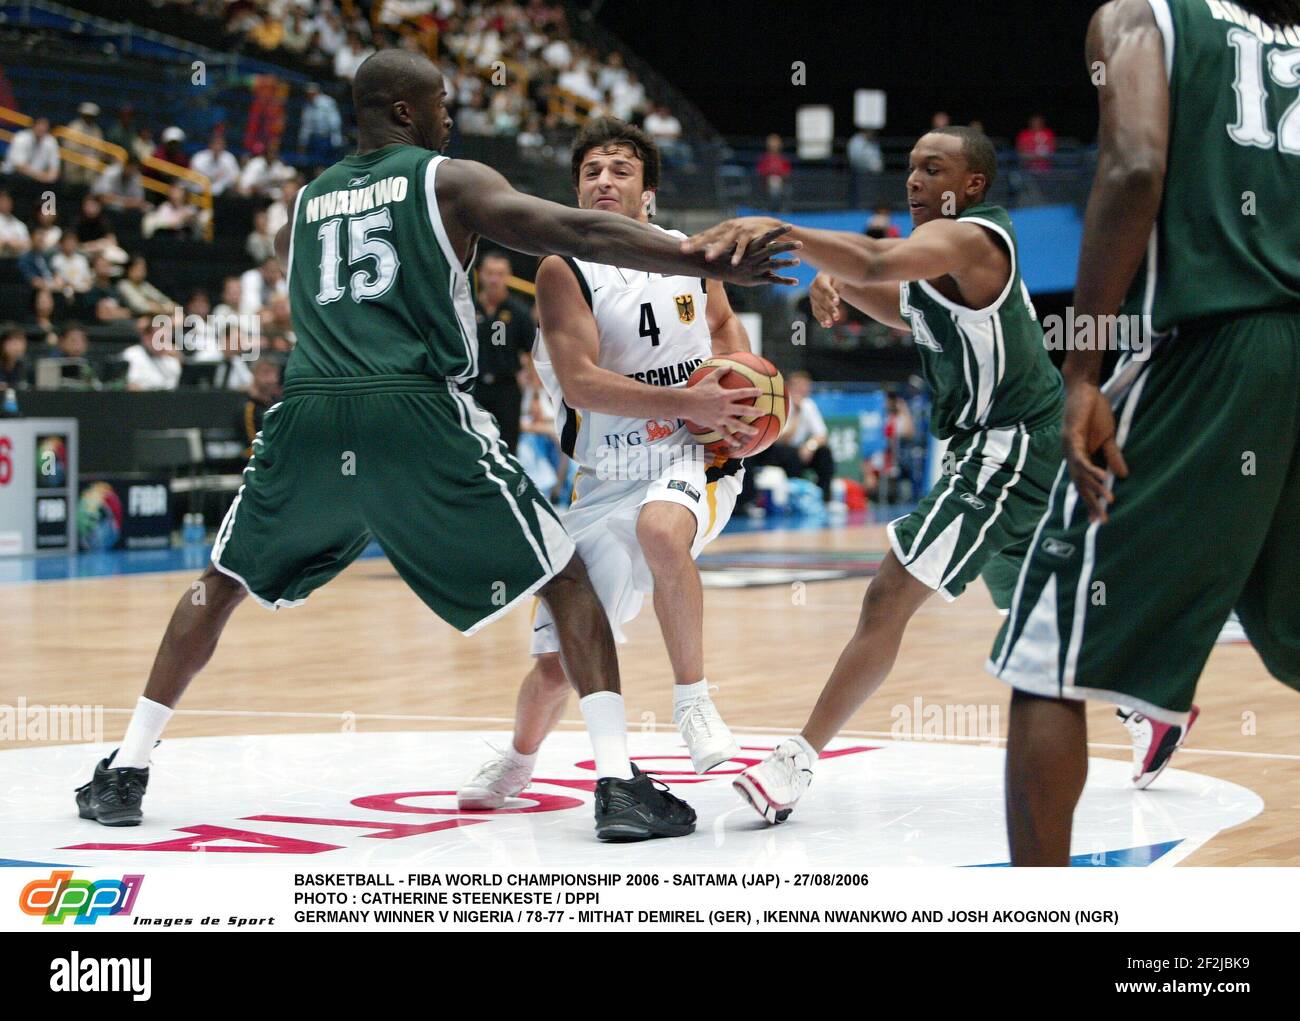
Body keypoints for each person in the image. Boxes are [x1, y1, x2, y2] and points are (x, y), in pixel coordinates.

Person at [74, 49, 795, 842]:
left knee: (220, 581)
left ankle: (126, 769)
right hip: (413, 408)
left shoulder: (304, 205)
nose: (453, 115)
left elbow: (297, 264)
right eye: (443, 103)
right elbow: (578, 228)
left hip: (309, 413)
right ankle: (620, 783)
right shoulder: (448, 178)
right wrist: (697, 252)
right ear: (407, 112)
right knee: (567, 577)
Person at [988, 0, 1300, 864]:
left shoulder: (1143, 15)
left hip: (1218, 350)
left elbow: (1131, 166)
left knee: (1049, 653)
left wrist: (1083, 367)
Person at [684, 127, 1070, 824]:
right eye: (912, 167)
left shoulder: (975, 239)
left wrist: (787, 234)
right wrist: (842, 289)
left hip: (1007, 448)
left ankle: (794, 764)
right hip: (1008, 447)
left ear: (972, 185)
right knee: (1037, 609)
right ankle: (1152, 711)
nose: (914, 180)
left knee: (887, 595)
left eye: (934, 168)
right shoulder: (936, 274)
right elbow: (902, 305)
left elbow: (877, 257)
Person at [458, 117, 762, 814]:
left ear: (648, 192)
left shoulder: (689, 254)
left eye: (622, 169)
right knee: (556, 665)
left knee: (662, 530)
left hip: (691, 451)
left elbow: (724, 332)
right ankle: (517, 759)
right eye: (593, 170)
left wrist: (748, 398)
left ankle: (694, 704)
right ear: (574, 191)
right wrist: (689, 397)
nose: (604, 179)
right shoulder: (564, 270)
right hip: (603, 476)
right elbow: (584, 382)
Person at [739, 370, 839, 515]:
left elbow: (822, 435)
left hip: (799, 450)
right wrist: (797, 413)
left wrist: (810, 446)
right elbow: (783, 438)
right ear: (789, 387)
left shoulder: (809, 405)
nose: (803, 390)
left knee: (825, 453)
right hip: (773, 449)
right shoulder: (779, 403)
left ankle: (824, 499)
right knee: (790, 454)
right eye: (799, 386)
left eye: (806, 386)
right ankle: (789, 499)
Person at [472, 250, 533, 453]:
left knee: (507, 447)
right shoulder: (468, 306)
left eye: (499, 274)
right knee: (472, 444)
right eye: (490, 273)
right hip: (473, 388)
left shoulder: (519, 311)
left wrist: (534, 398)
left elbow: (533, 353)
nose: (494, 279)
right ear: (480, 274)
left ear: (508, 276)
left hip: (506, 388)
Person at [121, 315, 181, 391]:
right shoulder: (132, 354)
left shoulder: (172, 361)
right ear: (146, 337)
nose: (164, 344)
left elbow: (173, 388)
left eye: (167, 339)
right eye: (160, 339)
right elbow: (130, 386)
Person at [2, 117, 59, 184]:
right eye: (39, 125)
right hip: (13, 175)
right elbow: (19, 167)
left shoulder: (51, 141)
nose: (42, 128)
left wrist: (50, 177)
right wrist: (42, 177)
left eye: (44, 126)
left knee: (57, 186)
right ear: (33, 126)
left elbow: (54, 168)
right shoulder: (21, 137)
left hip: (37, 180)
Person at [756, 133, 793, 209]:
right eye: (772, 143)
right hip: (766, 184)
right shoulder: (764, 158)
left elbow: (787, 173)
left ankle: (777, 206)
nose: (774, 145)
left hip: (781, 182)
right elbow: (760, 172)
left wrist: (781, 176)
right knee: (773, 180)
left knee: (776, 181)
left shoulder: (783, 159)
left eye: (776, 143)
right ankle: (771, 206)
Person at [0, 189, 31, 255]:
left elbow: (28, 245)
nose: (5, 204)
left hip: (17, 261)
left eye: (7, 201)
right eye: (2, 200)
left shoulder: (19, 224)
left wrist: (7, 243)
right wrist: (9, 242)